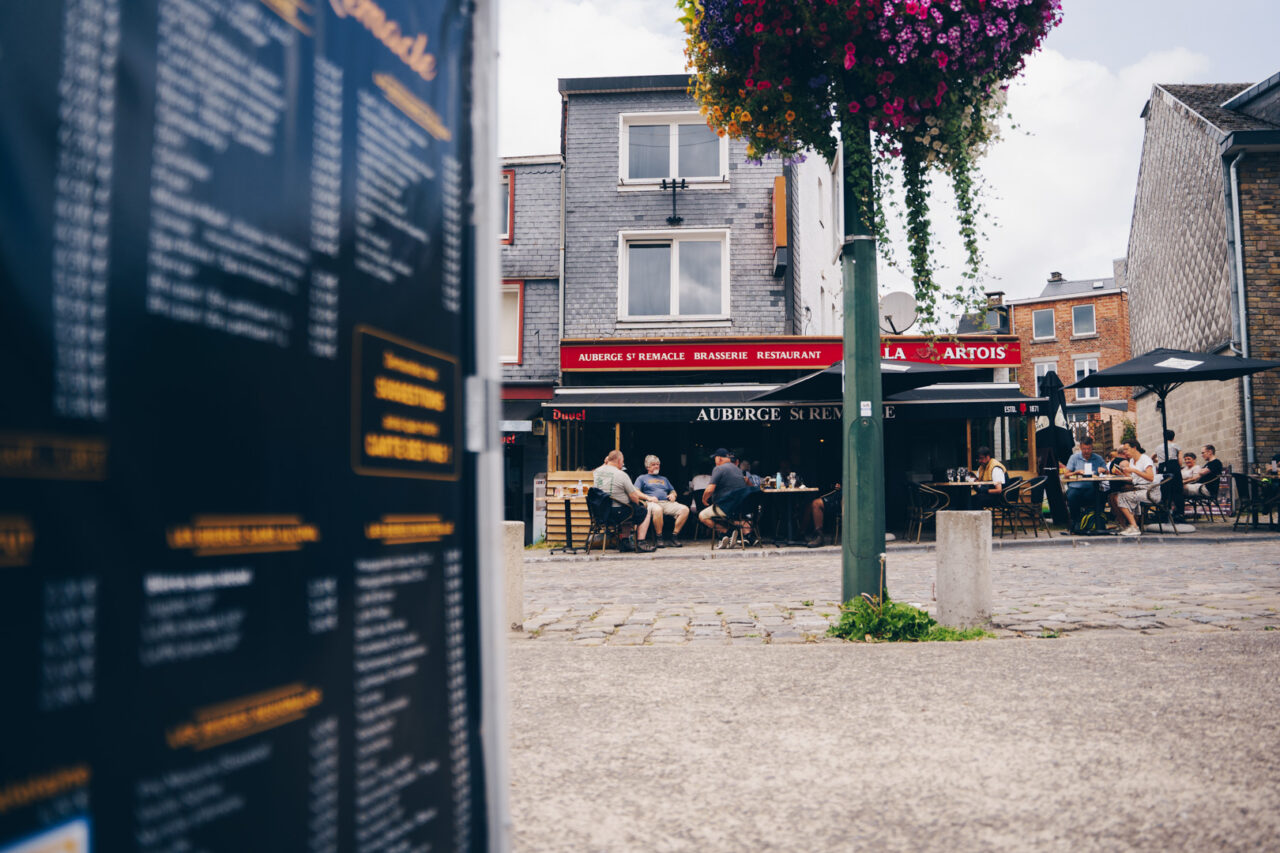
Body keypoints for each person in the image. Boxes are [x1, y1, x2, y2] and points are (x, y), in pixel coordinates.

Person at [592, 449, 654, 550]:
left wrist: (605, 462)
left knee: (629, 509)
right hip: (616, 513)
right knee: (643, 511)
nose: (623, 463)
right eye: (623, 461)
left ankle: (625, 542)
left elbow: (599, 469)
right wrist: (637, 504)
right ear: (619, 460)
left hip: (600, 513)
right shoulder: (622, 475)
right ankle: (641, 543)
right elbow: (634, 496)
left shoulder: (597, 472)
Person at [634, 454, 688, 548]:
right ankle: (659, 538)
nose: (656, 466)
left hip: (666, 502)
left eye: (658, 464)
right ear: (647, 466)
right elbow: (636, 492)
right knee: (658, 510)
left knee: (685, 509)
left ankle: (674, 537)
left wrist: (673, 495)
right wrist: (648, 498)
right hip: (651, 503)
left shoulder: (664, 479)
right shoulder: (642, 478)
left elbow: (672, 490)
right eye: (654, 464)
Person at [700, 447, 749, 548]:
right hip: (739, 507)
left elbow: (709, 489)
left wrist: (704, 499)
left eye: (715, 458)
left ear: (718, 458)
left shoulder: (719, 468)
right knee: (722, 516)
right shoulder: (738, 469)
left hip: (726, 506)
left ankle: (728, 532)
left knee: (702, 516)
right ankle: (731, 535)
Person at [1108, 441, 1155, 536]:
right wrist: (1121, 473)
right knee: (1115, 496)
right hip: (1138, 488)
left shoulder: (1145, 459)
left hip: (1149, 490)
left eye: (1127, 449)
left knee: (1121, 497)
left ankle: (1134, 527)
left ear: (1134, 448)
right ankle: (1129, 525)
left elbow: (1151, 477)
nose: (1125, 452)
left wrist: (1133, 470)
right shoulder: (1133, 461)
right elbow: (1133, 479)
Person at [1062, 437, 1108, 529]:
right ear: (1080, 447)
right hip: (1076, 488)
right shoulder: (1074, 458)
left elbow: (1107, 471)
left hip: (1092, 488)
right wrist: (1076, 472)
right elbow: (1066, 474)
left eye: (1089, 449)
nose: (1086, 451)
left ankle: (1097, 521)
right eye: (1084, 449)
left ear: (1092, 448)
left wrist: (1104, 470)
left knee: (1102, 495)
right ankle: (1076, 522)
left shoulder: (1097, 458)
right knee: (1072, 495)